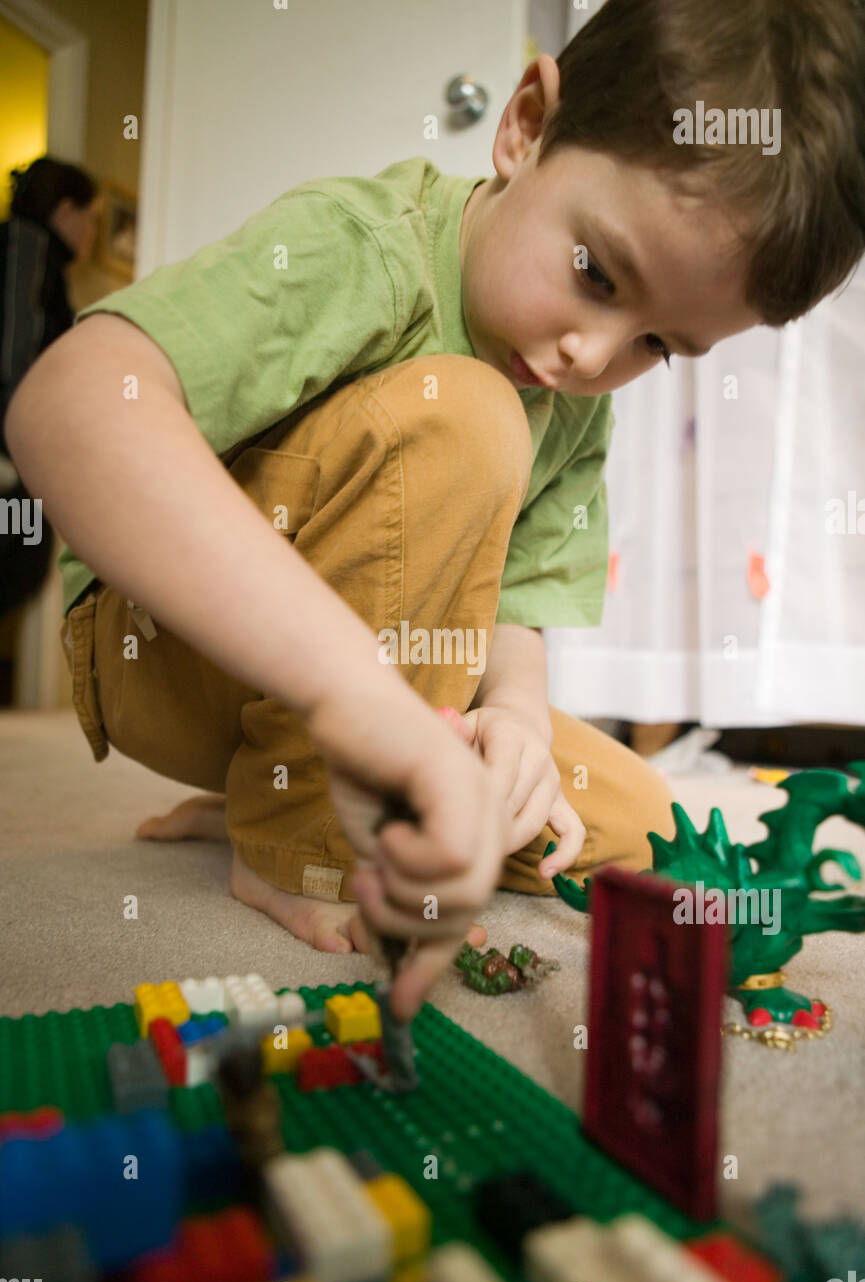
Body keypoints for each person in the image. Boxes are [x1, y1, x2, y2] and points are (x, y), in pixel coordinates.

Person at [6, 0, 865, 1019]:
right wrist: (349, 701)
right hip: (159, 652)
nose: (593, 355)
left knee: (638, 825)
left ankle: (268, 780)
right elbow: (66, 401)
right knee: (464, 418)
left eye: (659, 346)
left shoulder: (578, 397)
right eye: (596, 273)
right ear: (525, 125)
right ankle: (295, 827)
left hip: (386, 696)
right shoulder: (359, 245)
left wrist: (511, 724)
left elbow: (516, 607)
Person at [0, 157, 100, 618]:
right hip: (8, 454)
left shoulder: (34, 255)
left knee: (20, 568)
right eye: (91, 218)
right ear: (65, 210)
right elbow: (13, 351)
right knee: (15, 564)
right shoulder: (27, 245)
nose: (93, 233)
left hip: (16, 453)